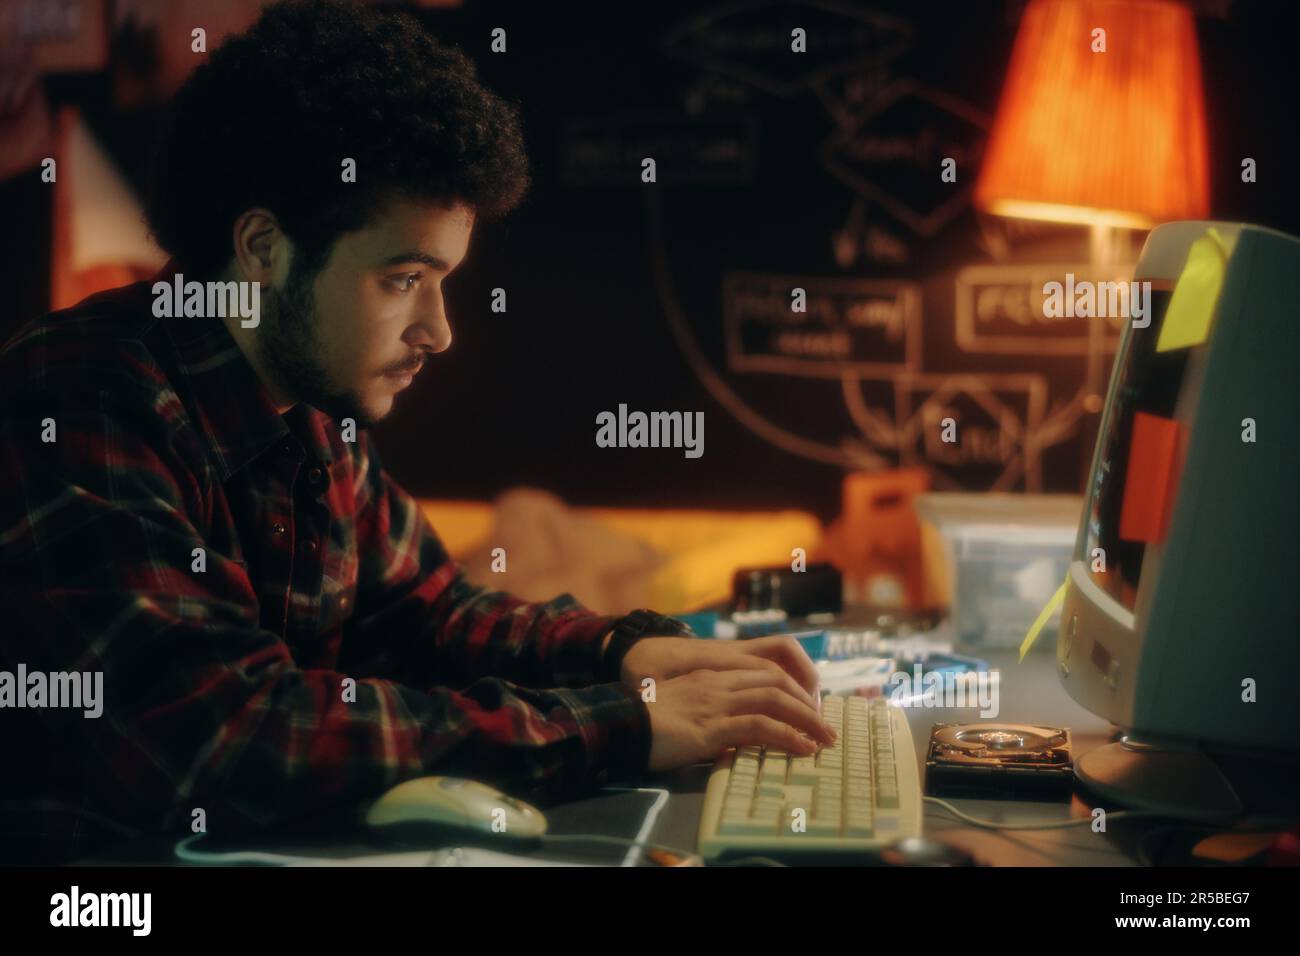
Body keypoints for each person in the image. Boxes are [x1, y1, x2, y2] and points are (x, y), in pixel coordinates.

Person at [0, 0, 832, 863]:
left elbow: (426, 615)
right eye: (403, 278)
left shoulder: (312, 405)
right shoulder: (79, 401)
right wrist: (619, 726)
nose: (439, 332)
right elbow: (223, 738)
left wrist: (629, 651)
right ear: (261, 248)